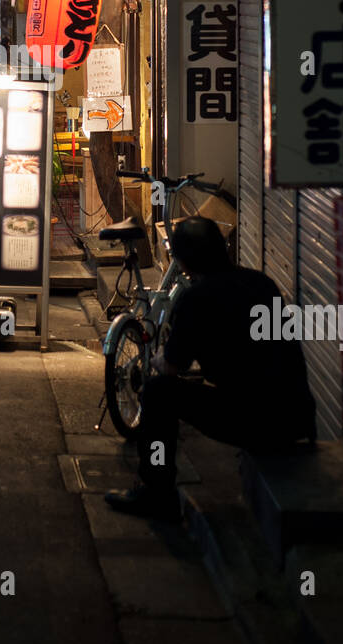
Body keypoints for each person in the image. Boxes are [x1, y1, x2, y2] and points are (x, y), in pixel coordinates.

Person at [105, 216, 317, 522]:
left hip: (255, 421)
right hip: (297, 418)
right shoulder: (262, 284)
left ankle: (156, 491)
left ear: (182, 262)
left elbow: (171, 367)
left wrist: (157, 360)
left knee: (157, 392)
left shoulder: (196, 299)